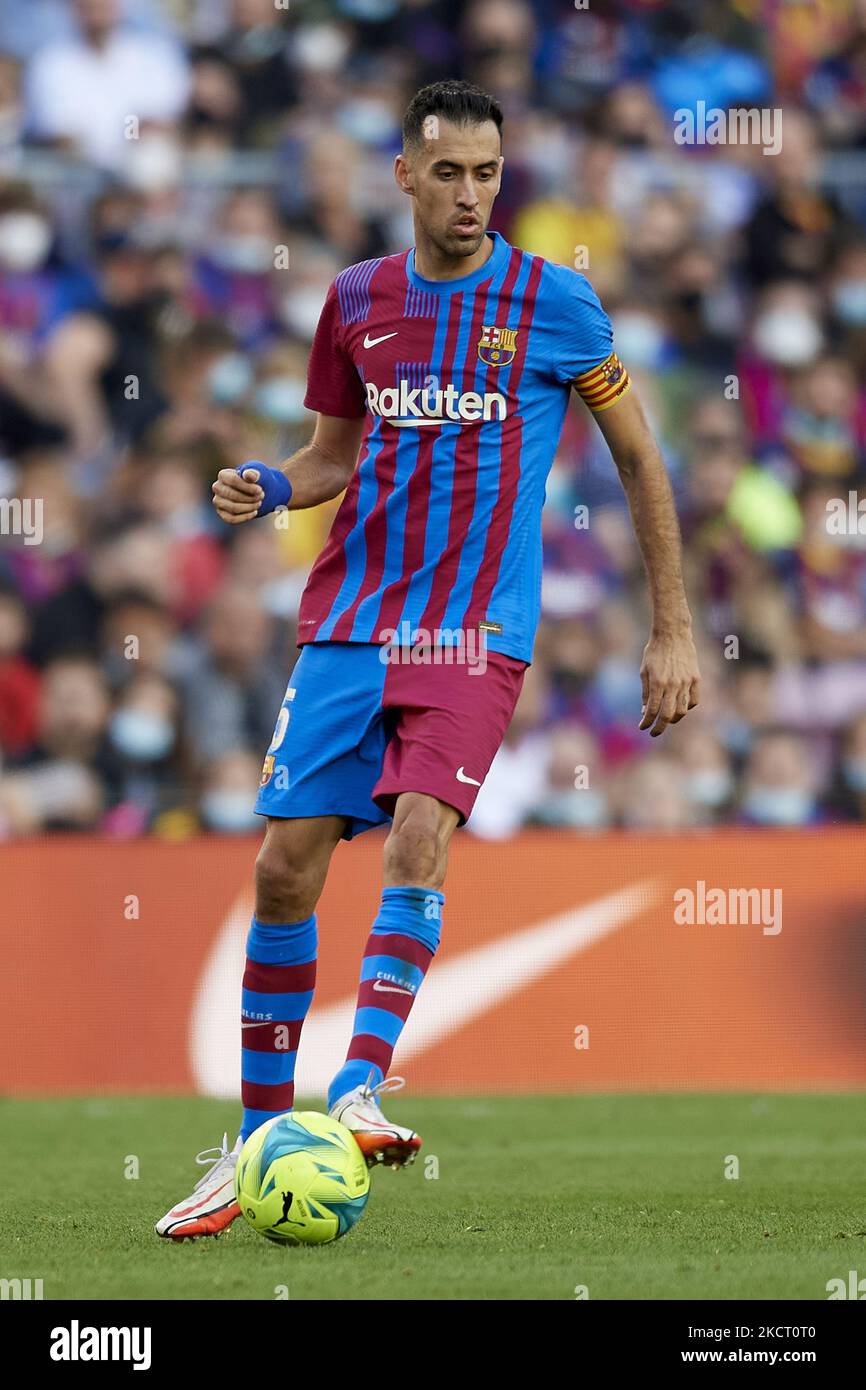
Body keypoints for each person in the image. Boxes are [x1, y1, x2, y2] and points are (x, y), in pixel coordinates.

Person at [156, 79, 700, 1240]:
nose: (469, 194)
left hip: (471, 631)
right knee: (282, 870)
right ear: (403, 174)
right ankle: (253, 1145)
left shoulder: (554, 305)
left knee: (416, 832)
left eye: (487, 174)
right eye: (447, 172)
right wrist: (269, 485)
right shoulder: (357, 300)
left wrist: (671, 626)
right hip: (349, 618)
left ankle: (354, 1085)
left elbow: (641, 464)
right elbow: (329, 455)